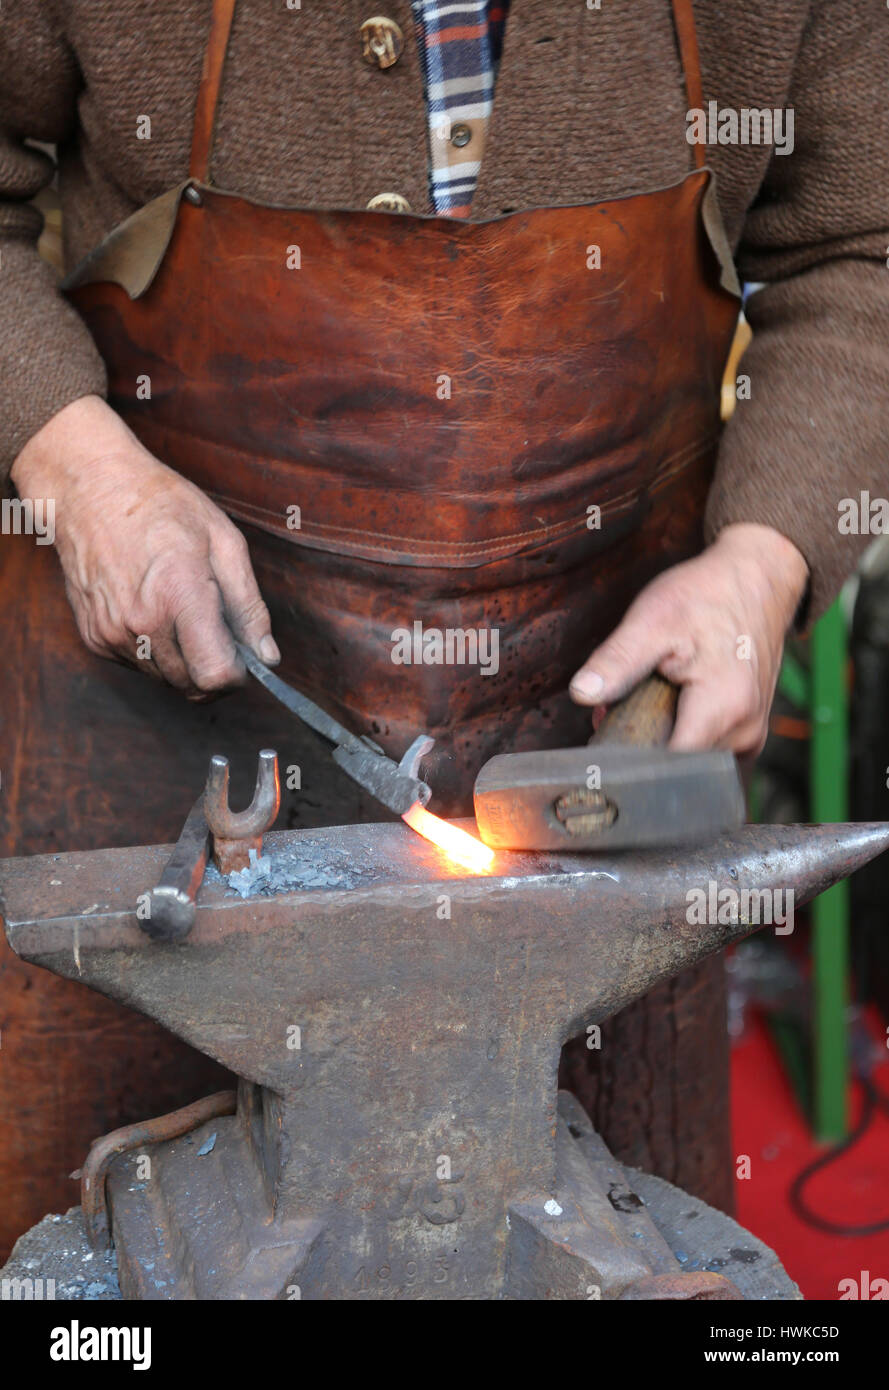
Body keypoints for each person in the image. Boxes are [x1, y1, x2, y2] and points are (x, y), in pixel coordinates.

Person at [0, 0, 885, 1251]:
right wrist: (70, 457)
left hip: (597, 759)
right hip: (150, 705)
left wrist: (767, 552)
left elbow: (863, 245)